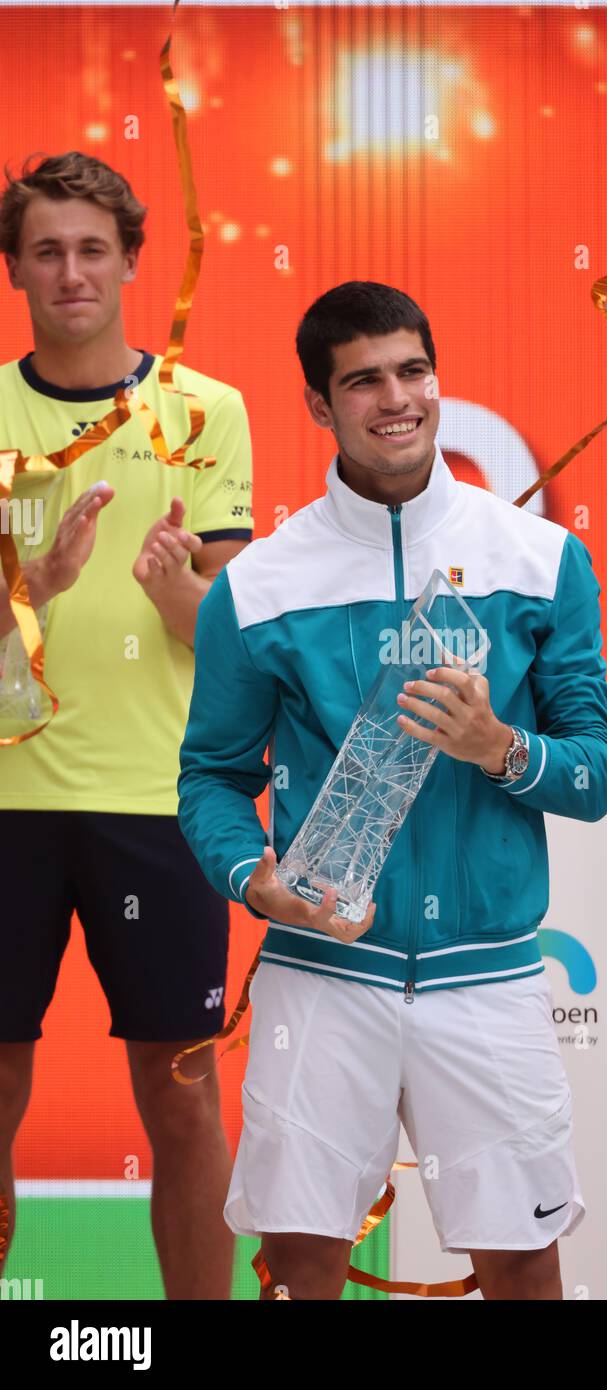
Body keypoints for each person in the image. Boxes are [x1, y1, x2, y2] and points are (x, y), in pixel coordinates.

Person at [178, 280, 607, 1300]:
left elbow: (594, 775)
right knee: (299, 1262)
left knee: (519, 1261)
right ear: (319, 407)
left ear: (437, 379)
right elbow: (209, 778)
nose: (396, 398)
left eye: (413, 370)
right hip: (320, 972)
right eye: (363, 380)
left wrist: (500, 745)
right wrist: (255, 881)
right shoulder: (259, 584)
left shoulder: (543, 560)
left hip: (490, 977)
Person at [0, 151, 253, 1299]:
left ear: (132, 261)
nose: (71, 271)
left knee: (184, 1096)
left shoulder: (207, 413)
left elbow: (232, 644)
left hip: (161, 804)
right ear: (15, 271)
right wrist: (32, 589)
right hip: (8, 805)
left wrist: (177, 600)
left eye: (92, 247)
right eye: (46, 250)